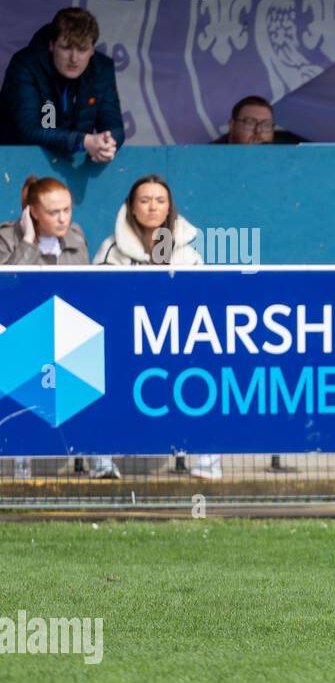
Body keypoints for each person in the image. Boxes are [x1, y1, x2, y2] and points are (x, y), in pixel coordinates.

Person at [93, 175, 218, 480]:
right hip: (123, 344)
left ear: (169, 208)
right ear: (132, 208)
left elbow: (198, 300)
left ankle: (207, 468)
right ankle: (101, 466)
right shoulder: (112, 249)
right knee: (95, 378)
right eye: (145, 200)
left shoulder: (188, 251)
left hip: (175, 343)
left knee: (205, 379)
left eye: (160, 201)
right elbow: (101, 302)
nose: (152, 207)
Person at [0, 175, 100, 479]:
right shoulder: (6, 238)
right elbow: (8, 288)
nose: (62, 218)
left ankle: (97, 458)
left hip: (69, 329)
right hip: (20, 331)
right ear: (33, 213)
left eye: (67, 210)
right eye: (54, 212)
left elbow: (83, 288)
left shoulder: (77, 236)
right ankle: (22, 460)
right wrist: (29, 243)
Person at [0, 7, 124, 161]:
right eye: (66, 48)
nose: (74, 58)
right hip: (15, 163)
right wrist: (84, 141)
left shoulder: (101, 69)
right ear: (51, 45)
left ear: (92, 50)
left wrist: (107, 144)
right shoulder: (25, 65)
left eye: (82, 49)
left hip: (73, 165)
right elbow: (29, 130)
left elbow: (114, 126)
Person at [211, 95, 307, 145]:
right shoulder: (208, 158)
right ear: (232, 125)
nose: (258, 131)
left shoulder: (279, 160)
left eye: (266, 125)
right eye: (250, 123)